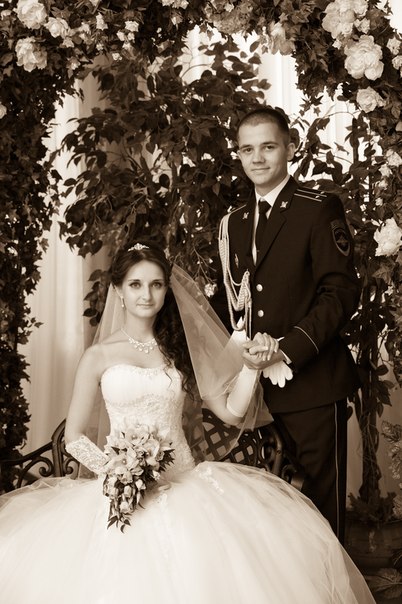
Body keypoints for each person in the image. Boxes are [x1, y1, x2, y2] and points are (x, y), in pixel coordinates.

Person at [0, 242, 374, 604]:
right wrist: (119, 475)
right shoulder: (98, 356)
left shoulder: (179, 351)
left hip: (184, 485)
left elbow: (231, 413)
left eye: (156, 284)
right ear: (118, 290)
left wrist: (250, 368)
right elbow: (74, 437)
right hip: (120, 492)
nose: (146, 295)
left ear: (166, 290)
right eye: (135, 284)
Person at [213, 105, 361, 544]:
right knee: (267, 514)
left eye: (268, 147)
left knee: (320, 511)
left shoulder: (318, 209)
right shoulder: (233, 223)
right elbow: (233, 303)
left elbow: (340, 293)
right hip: (252, 392)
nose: (257, 158)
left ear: (290, 148)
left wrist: (286, 348)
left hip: (312, 385)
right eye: (247, 149)